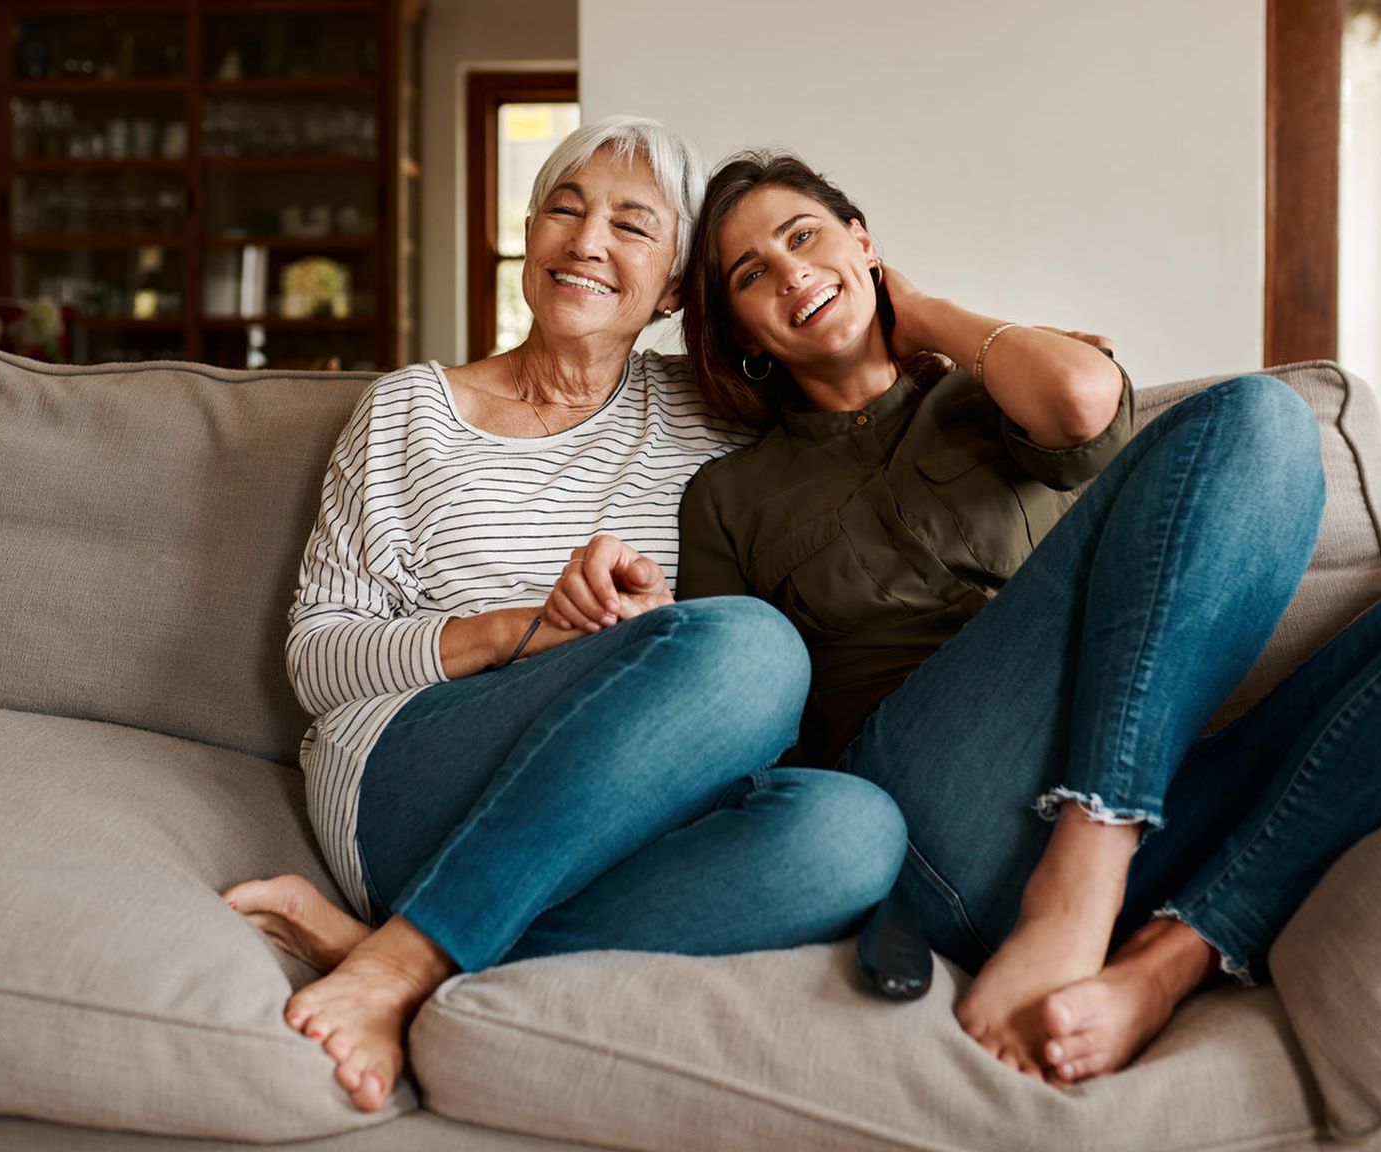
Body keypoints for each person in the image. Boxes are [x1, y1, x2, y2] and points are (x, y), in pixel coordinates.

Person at [578, 149, 1381, 1085]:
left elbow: (1082, 402)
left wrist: (929, 314)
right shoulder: (729, 494)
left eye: (804, 236)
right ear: (741, 334)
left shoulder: (988, 388)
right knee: (1258, 416)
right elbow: (744, 717)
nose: (790, 273)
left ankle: (1164, 955)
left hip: (1150, 779)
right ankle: (1077, 881)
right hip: (938, 813)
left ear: (862, 241)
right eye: (750, 276)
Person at [220, 124, 908, 1113]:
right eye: (564, 208)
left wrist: (651, 646)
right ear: (530, 235)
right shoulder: (408, 414)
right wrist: (521, 631)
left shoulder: (715, 416)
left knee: (852, 833)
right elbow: (316, 660)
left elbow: (860, 359)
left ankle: (402, 954)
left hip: (603, 815)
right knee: (748, 644)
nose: (586, 242)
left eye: (632, 224)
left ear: (676, 288)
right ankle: (411, 950)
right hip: (411, 780)